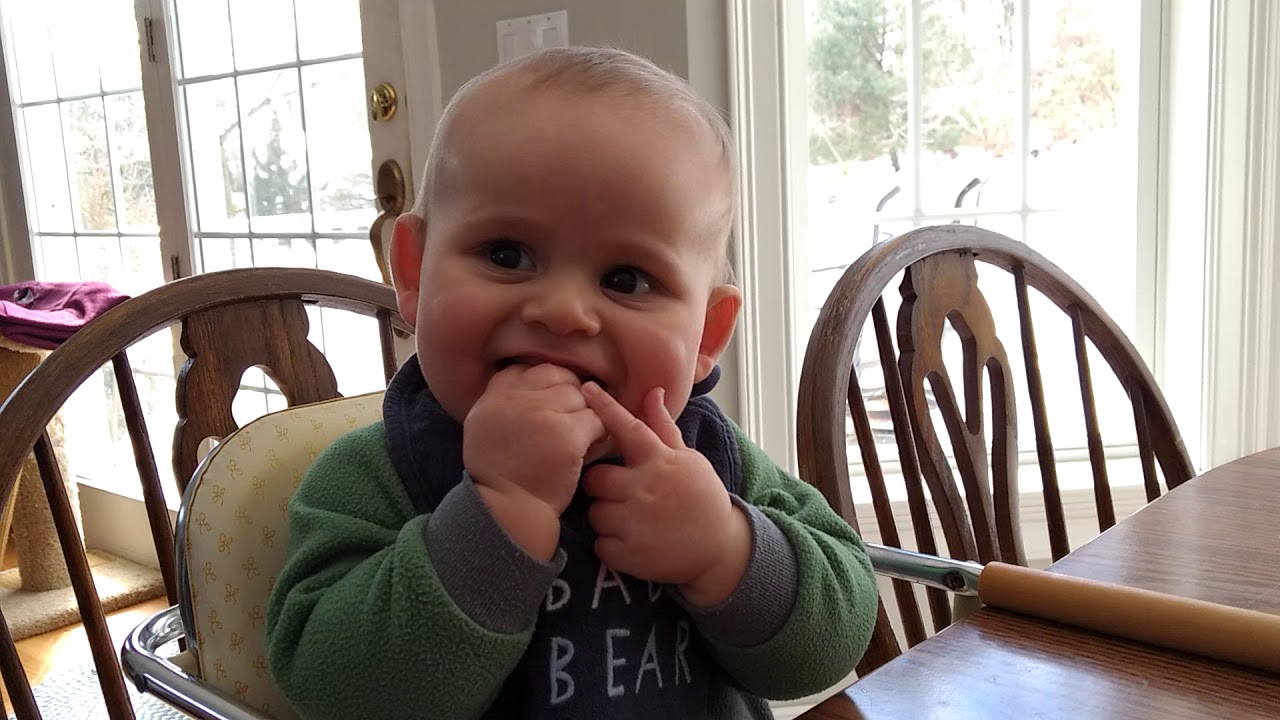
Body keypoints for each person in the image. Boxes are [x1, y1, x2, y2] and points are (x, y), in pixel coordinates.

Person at [265, 46, 878, 719]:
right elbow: (332, 687)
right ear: (412, 273)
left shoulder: (707, 457)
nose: (562, 311)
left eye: (626, 279)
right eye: (506, 254)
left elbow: (838, 635)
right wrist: (500, 513)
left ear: (706, 333)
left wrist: (726, 552)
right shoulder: (372, 477)